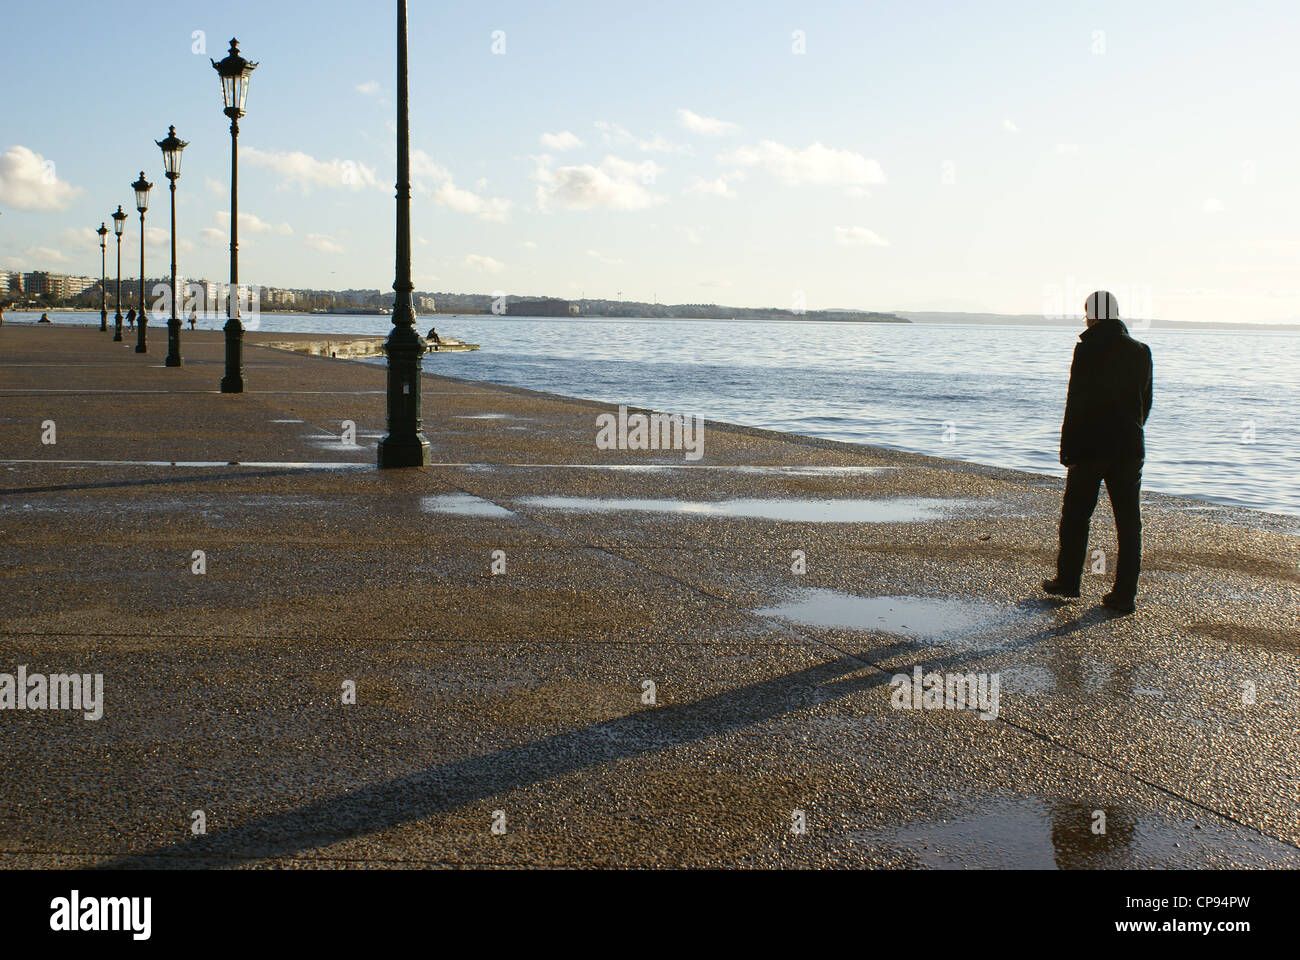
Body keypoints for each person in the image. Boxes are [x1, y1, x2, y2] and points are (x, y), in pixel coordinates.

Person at [1042, 290, 1153, 614]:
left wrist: (1068, 450)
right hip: (1129, 447)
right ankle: (1124, 595)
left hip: (1090, 446)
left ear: (1092, 315)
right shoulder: (1140, 350)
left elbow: (1075, 402)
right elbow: (1145, 402)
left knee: (1077, 516)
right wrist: (1133, 430)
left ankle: (1068, 580)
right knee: (1129, 524)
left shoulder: (1087, 350)